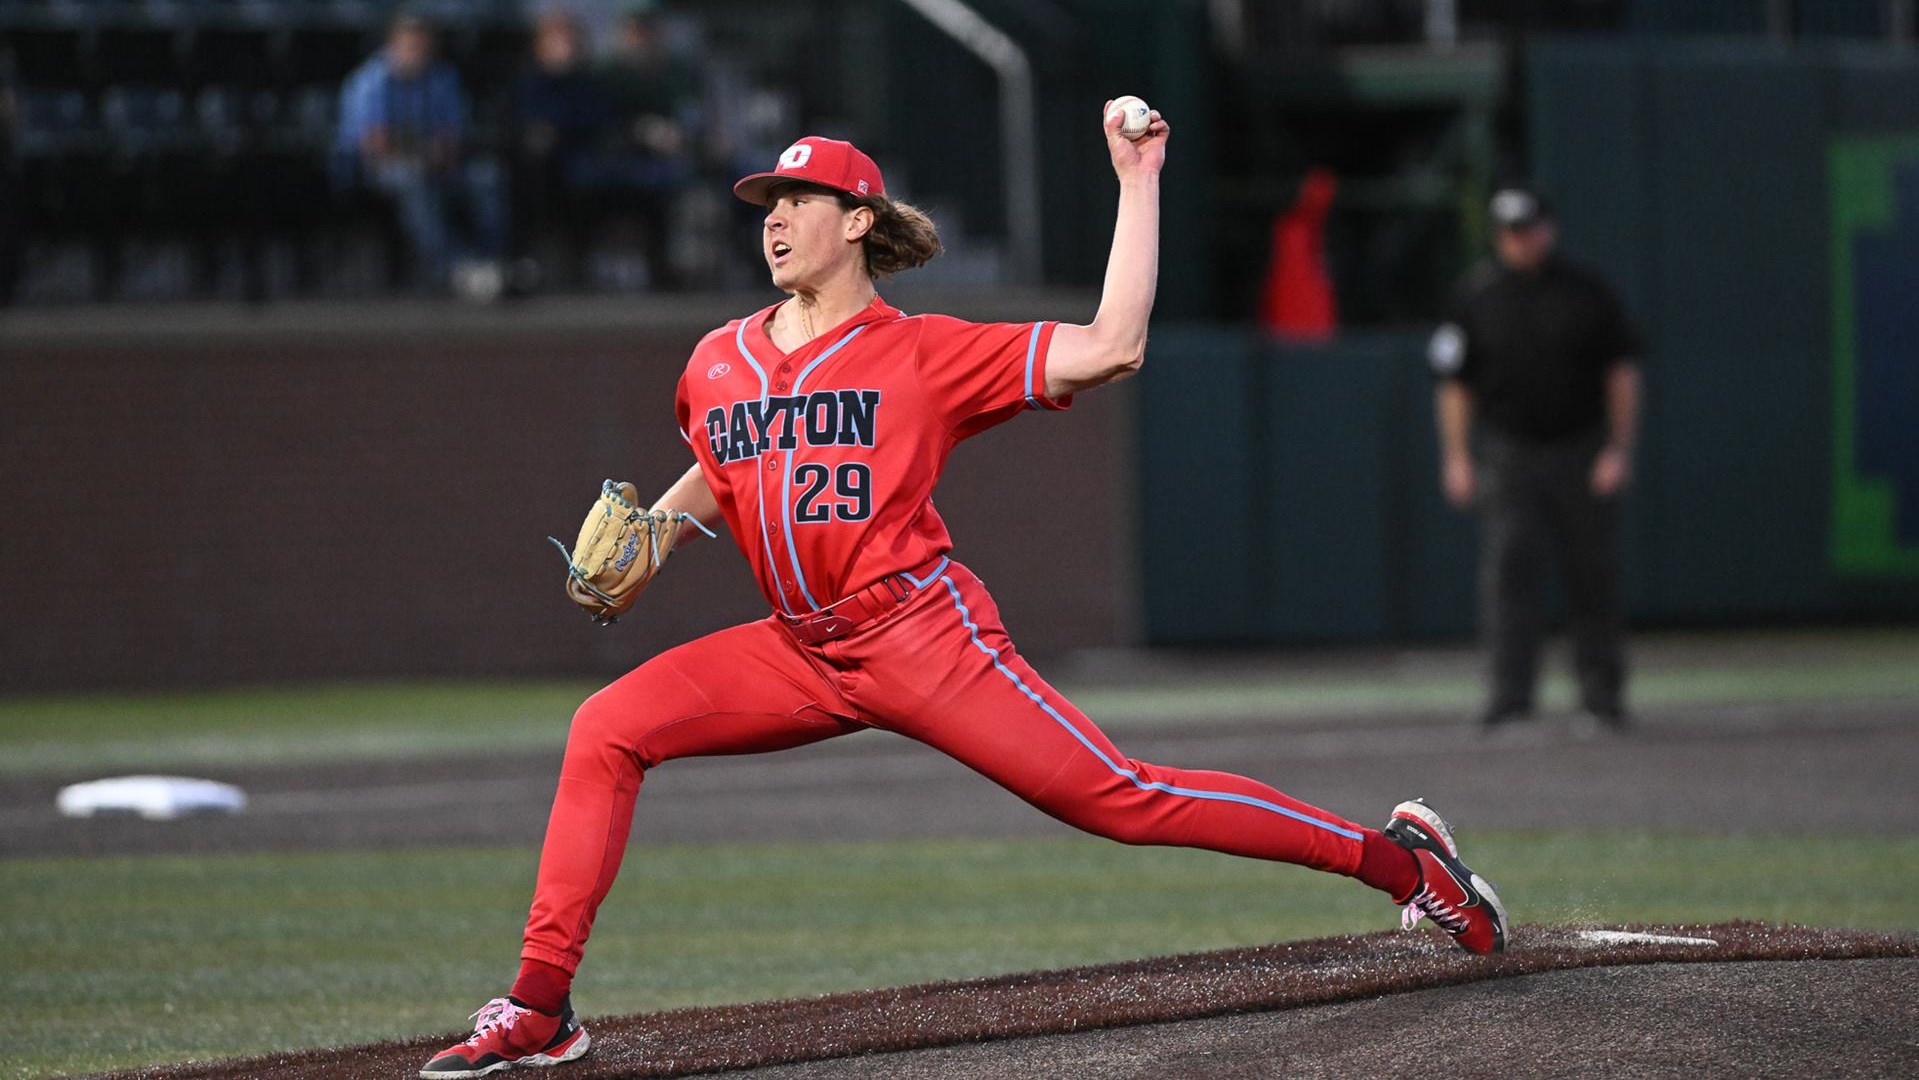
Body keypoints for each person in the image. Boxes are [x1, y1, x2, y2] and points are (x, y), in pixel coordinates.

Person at [420, 105, 1508, 1077]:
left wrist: (1137, 182)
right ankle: (539, 1007)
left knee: (1119, 800)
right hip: (796, 648)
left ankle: (1400, 863)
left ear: (857, 221)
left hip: (918, 636)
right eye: (767, 199)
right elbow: (725, 457)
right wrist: (655, 538)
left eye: (799, 198)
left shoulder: (924, 352)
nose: (774, 215)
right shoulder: (714, 360)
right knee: (606, 728)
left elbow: (1112, 347)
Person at [1429, 186, 1643, 735]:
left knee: (1591, 574)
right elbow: (1454, 385)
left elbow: (1621, 372)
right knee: (1509, 575)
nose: (1522, 241)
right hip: (1509, 452)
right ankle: (1509, 698)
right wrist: (1456, 457)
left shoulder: (1588, 291)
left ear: (1550, 228)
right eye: (1511, 232)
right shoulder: (1476, 295)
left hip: (1580, 447)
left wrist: (1618, 448)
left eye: (1530, 228)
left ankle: (1603, 696)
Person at [336, 14, 510, 297]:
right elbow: (377, 144)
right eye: (408, 44)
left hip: (438, 164)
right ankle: (456, 269)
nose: (416, 50)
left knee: (486, 177)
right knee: (412, 179)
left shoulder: (442, 78)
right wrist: (424, 150)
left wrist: (431, 151)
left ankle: (493, 263)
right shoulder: (370, 81)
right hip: (377, 170)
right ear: (392, 45)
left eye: (421, 44)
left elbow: (452, 138)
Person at [510, 10, 616, 289]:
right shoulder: (528, 82)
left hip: (582, 164)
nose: (565, 49)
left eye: (570, 42)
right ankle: (529, 261)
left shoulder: (588, 84)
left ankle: (583, 263)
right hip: (537, 171)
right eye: (558, 42)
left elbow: (598, 122)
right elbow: (519, 126)